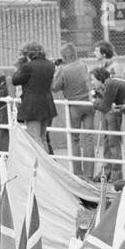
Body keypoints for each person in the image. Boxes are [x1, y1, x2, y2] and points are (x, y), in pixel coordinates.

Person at [90, 66, 125, 184]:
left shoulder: (110, 83)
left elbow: (105, 106)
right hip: (119, 108)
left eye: (93, 79)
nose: (91, 82)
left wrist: (94, 102)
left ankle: (116, 174)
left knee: (114, 142)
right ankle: (107, 171)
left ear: (100, 79)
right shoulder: (107, 84)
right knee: (107, 141)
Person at [51, 43, 94, 178]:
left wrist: (57, 70)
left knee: (74, 139)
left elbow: (55, 87)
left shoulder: (63, 69)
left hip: (74, 105)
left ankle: (77, 173)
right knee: (88, 139)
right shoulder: (82, 64)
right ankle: (89, 174)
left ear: (63, 56)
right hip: (88, 103)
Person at [12, 42, 55, 151]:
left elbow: (15, 80)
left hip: (32, 106)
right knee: (43, 137)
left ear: (27, 54)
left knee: (34, 137)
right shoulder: (50, 65)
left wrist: (20, 64)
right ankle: (47, 164)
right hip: (47, 104)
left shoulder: (28, 67)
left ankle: (42, 166)